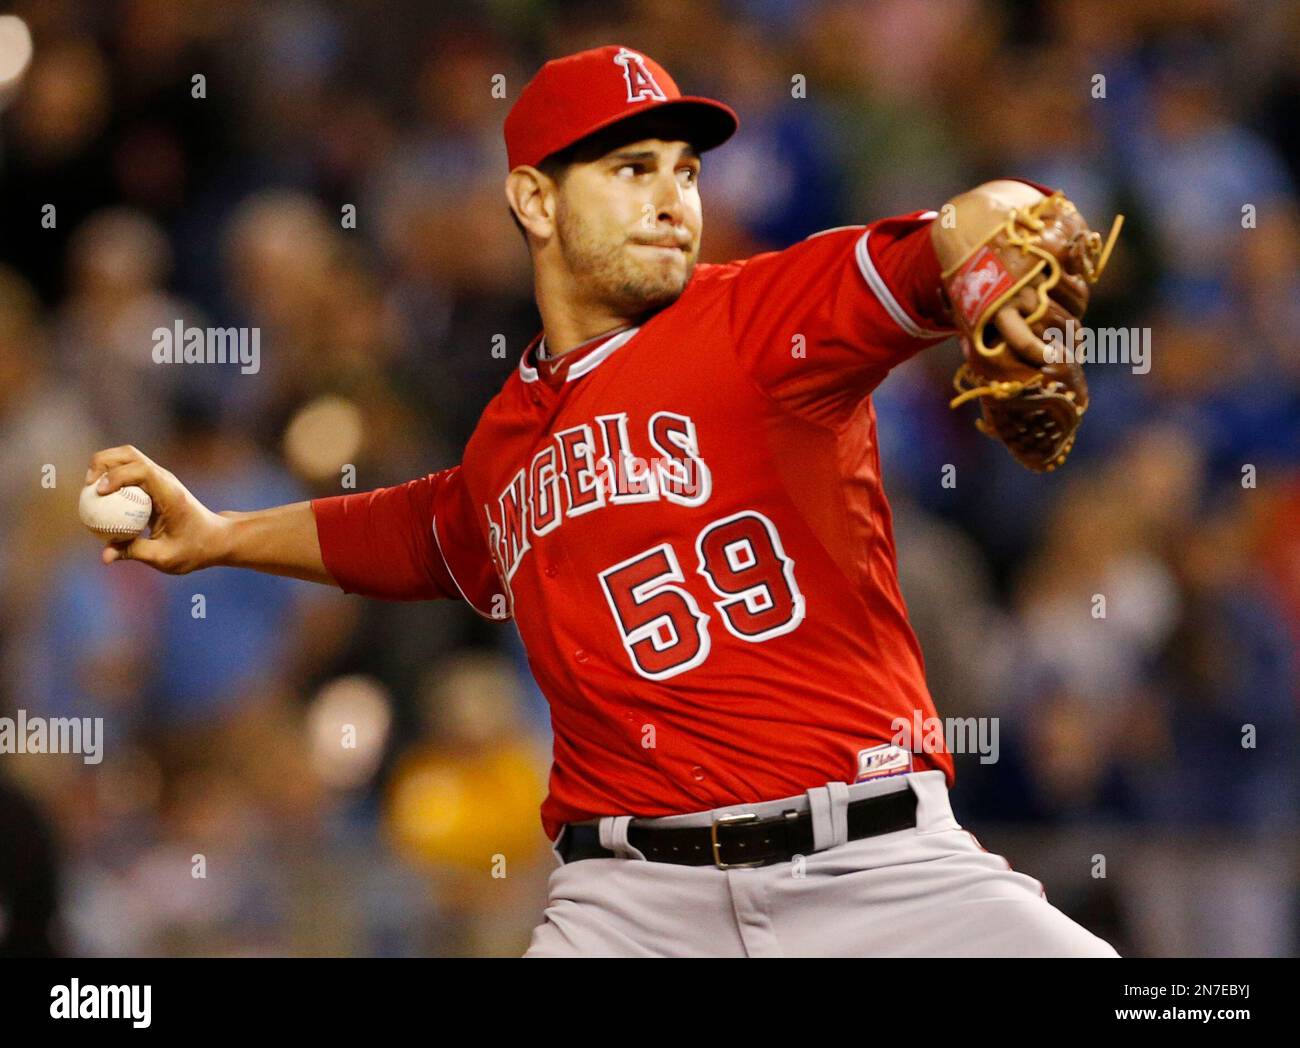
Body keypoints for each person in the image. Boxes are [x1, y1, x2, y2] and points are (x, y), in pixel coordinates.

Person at [86, 45, 1118, 957]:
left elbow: (973, 224)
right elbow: (422, 531)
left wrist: (998, 240)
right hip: (631, 905)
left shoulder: (763, 315)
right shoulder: (505, 441)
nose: (674, 199)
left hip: (875, 869)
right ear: (535, 202)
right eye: (631, 170)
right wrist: (220, 535)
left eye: (685, 170)